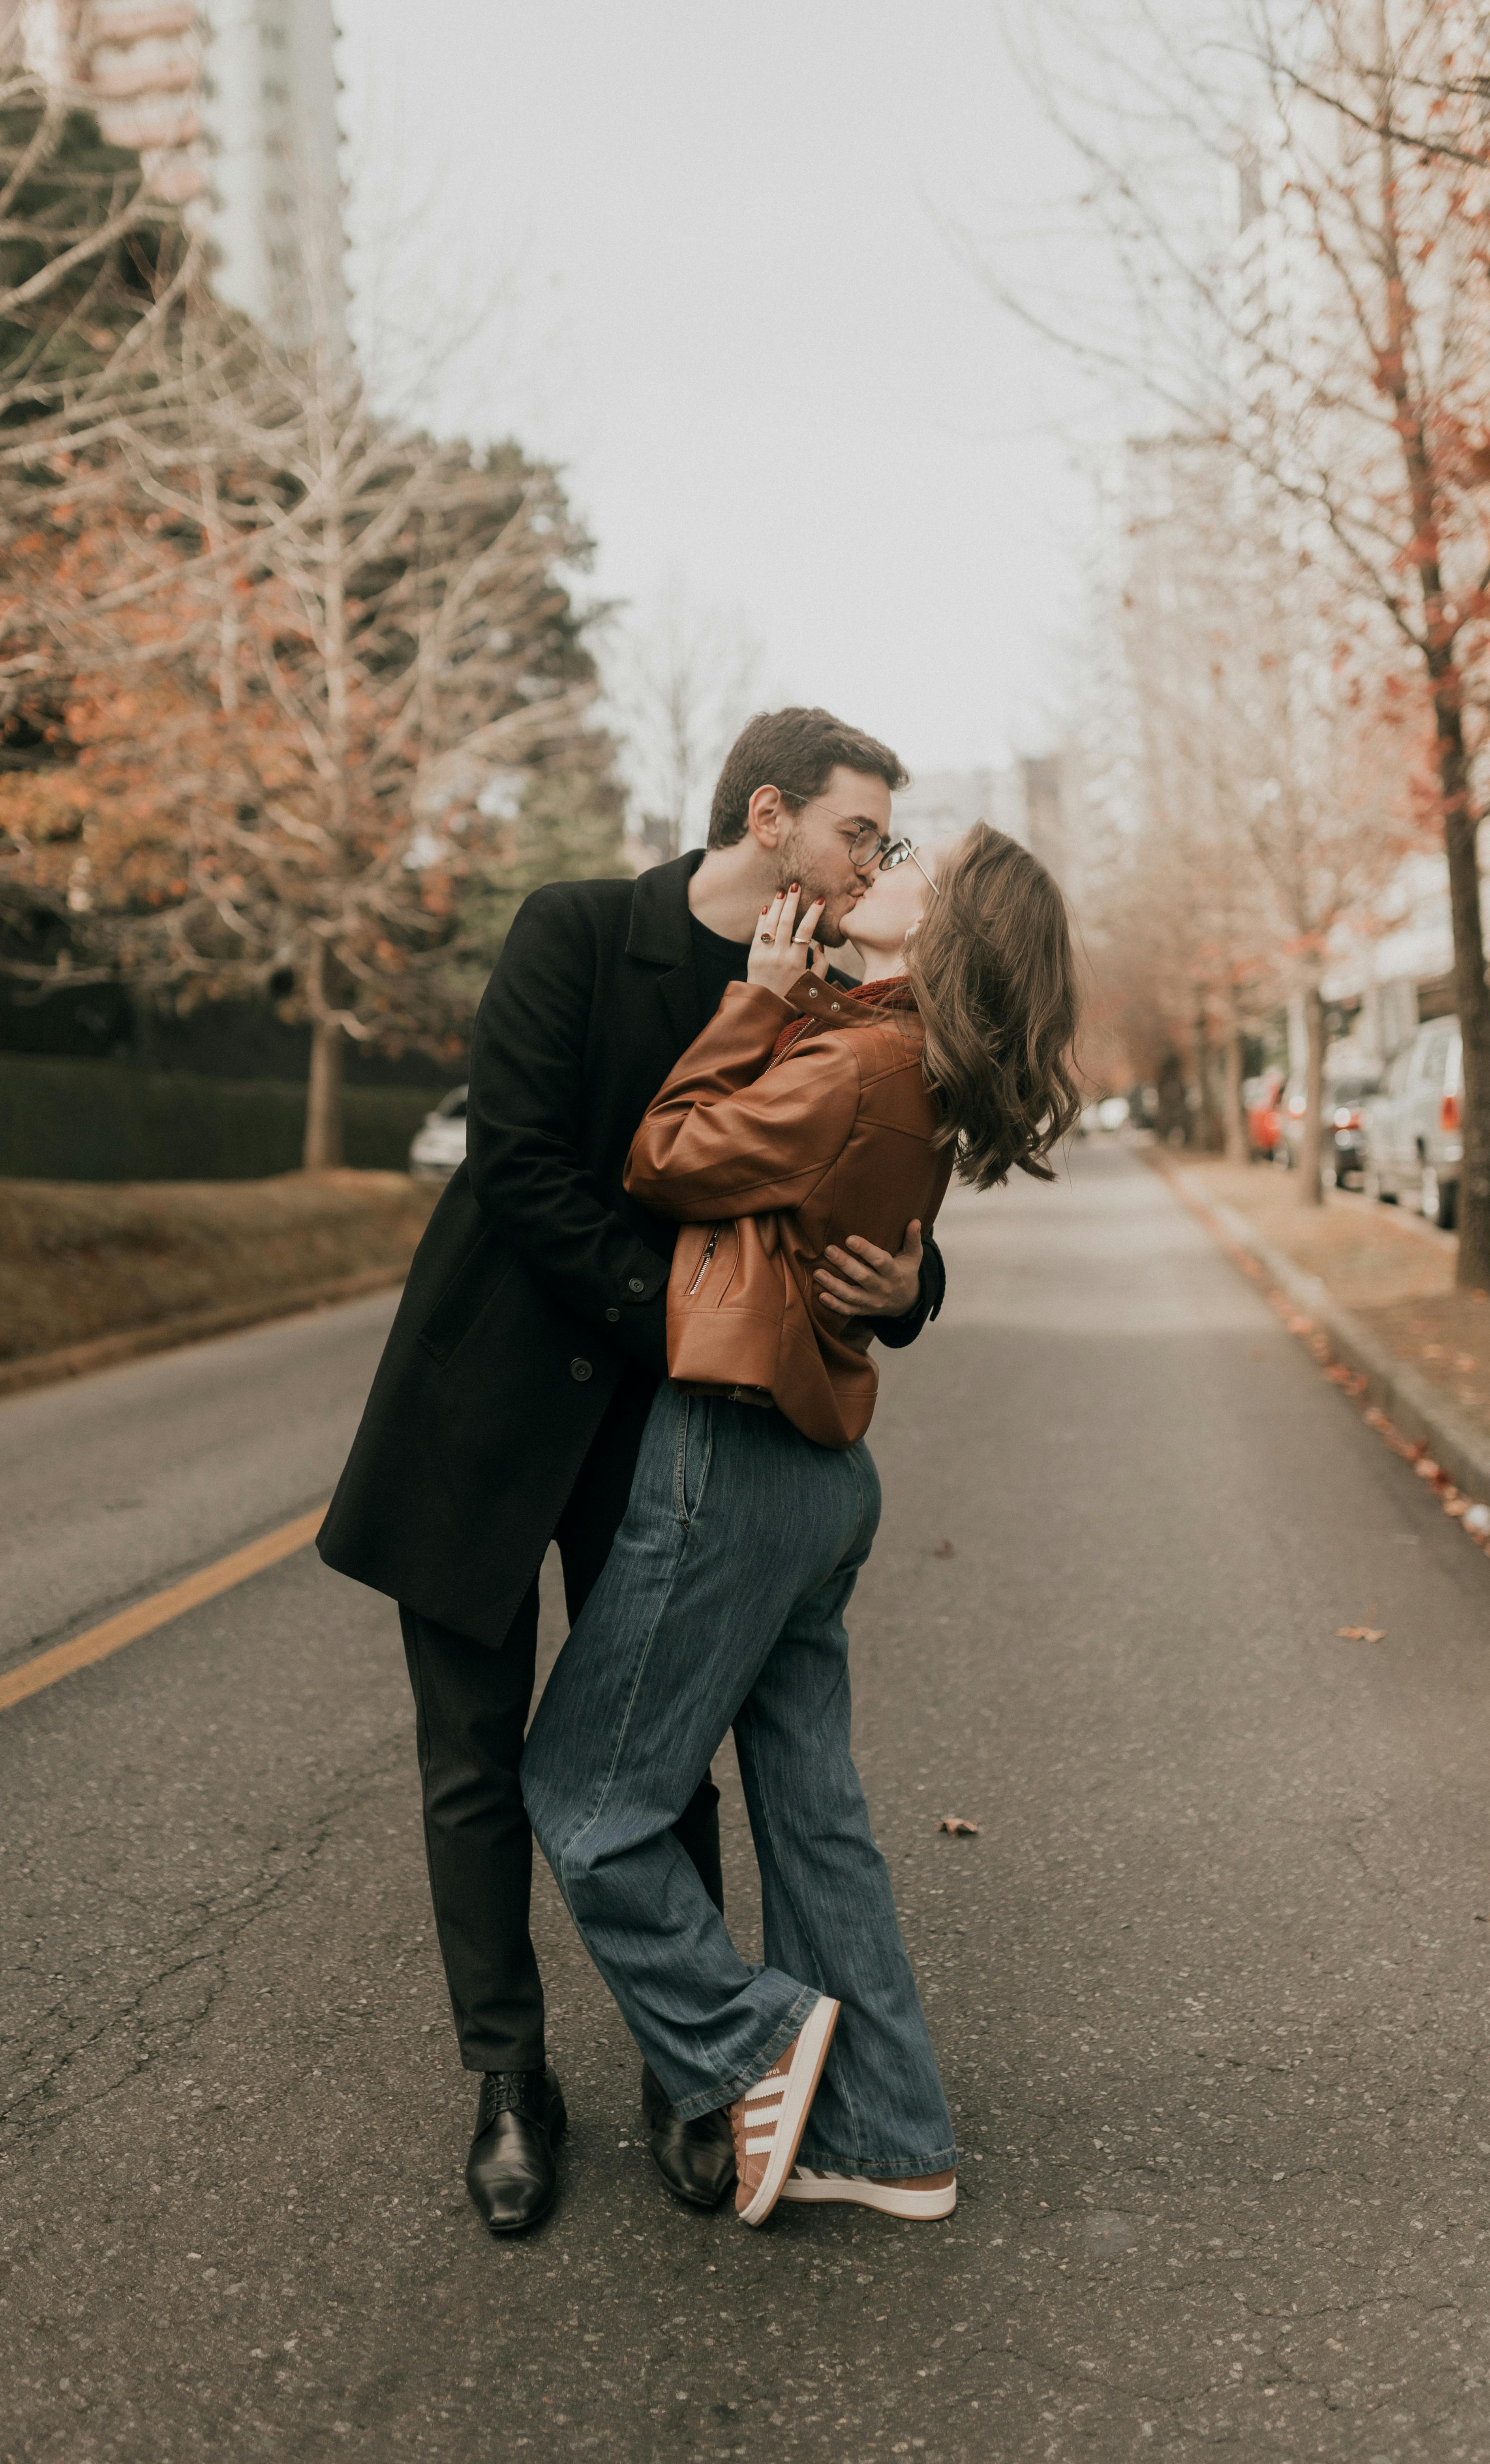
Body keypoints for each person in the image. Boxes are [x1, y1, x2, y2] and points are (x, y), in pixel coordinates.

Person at [317, 708, 951, 2232]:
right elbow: (521, 1163)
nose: (879, 861)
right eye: (862, 831)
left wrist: (906, 1290)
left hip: (666, 1441)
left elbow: (859, 1175)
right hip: (485, 1404)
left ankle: (699, 2072)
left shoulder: (827, 1002)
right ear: (769, 814)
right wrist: (679, 1317)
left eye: (889, 841)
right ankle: (510, 2082)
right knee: (474, 1763)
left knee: (654, 1757)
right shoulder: (579, 930)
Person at [522, 823, 1081, 2226]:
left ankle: (746, 2037)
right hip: (819, 1475)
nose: (874, 867)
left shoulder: (851, 1063)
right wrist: (803, 993)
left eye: (905, 858)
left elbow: (663, 1156)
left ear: (938, 931)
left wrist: (757, 1000)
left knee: (584, 1799)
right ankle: (893, 2139)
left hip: (737, 1461)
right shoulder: (912, 1062)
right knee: (815, 1818)